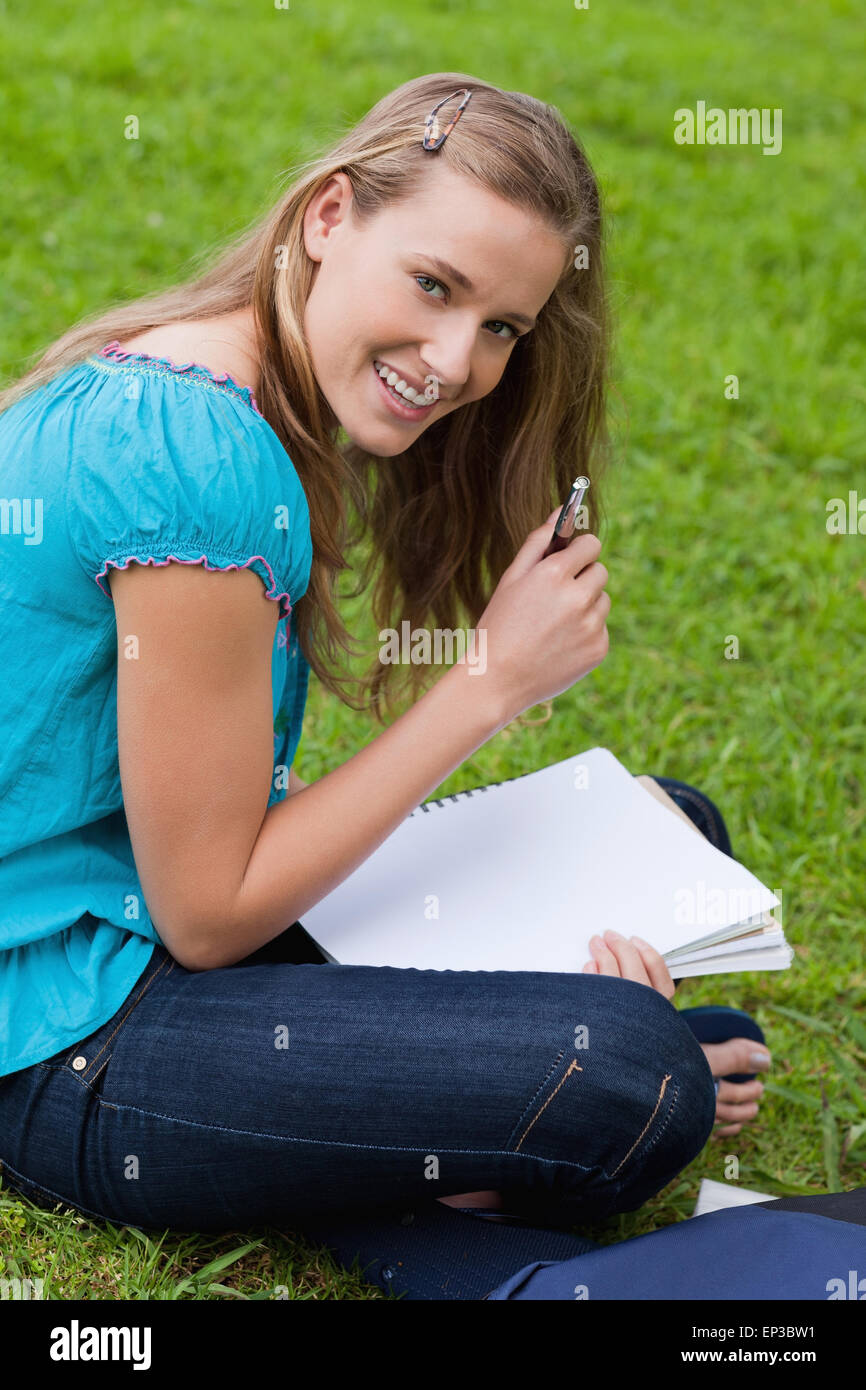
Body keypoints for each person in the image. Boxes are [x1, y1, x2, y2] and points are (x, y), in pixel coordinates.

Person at [0, 73, 770, 1298]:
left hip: (161, 936)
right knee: (633, 1069)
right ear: (327, 217)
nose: (457, 361)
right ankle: (444, 1182)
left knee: (670, 828)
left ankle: (430, 1129)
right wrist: (487, 684)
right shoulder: (194, 461)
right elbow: (208, 912)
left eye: (502, 327)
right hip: (67, 1041)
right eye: (433, 285)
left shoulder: (226, 387)